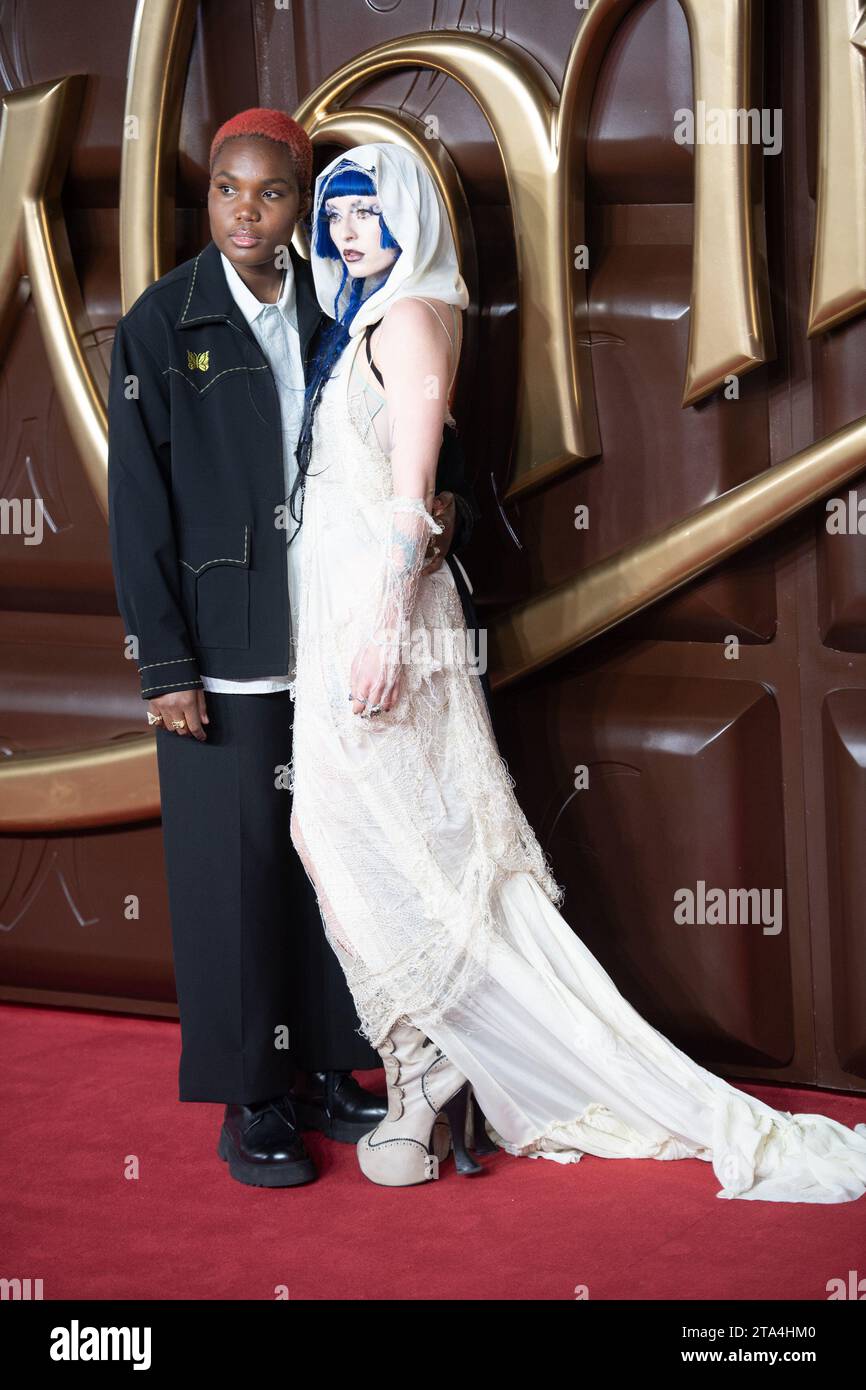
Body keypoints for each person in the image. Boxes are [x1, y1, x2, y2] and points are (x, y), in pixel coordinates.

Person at [285, 140, 866, 1202]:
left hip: (385, 626)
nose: (347, 233)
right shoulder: (372, 322)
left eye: (365, 211)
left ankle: (427, 1071)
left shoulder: (408, 318)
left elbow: (413, 496)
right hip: (344, 621)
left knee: (396, 846)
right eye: (335, 219)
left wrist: (374, 627)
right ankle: (427, 1064)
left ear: (405, 219)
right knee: (362, 840)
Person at [106, 110, 482, 1188]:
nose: (245, 212)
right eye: (227, 190)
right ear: (208, 195)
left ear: (300, 200)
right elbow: (137, 507)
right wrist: (163, 666)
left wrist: (438, 512)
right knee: (233, 875)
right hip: (223, 654)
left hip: (327, 641)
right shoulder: (161, 321)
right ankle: (250, 1098)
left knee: (330, 863)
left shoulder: (340, 301)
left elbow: (404, 448)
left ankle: (325, 1068)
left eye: (270, 193)